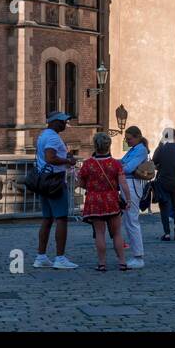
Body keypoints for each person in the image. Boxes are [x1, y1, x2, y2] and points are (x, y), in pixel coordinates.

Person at [78, 131, 130, 272]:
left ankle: (102, 264)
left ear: (95, 145)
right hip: (112, 200)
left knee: (100, 233)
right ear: (109, 145)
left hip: (94, 201)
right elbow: (123, 183)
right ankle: (122, 262)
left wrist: (93, 186)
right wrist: (128, 199)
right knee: (117, 233)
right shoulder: (115, 164)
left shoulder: (88, 164)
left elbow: (80, 183)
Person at [32, 112, 79, 269]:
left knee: (47, 219)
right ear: (55, 122)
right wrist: (68, 160)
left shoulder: (43, 135)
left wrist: (65, 155)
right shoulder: (52, 137)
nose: (65, 125)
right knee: (61, 218)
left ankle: (41, 256)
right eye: (63, 122)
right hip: (55, 181)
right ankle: (60, 257)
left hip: (44, 180)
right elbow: (50, 157)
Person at [119, 127, 150, 267]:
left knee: (132, 220)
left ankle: (138, 257)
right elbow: (122, 162)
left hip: (132, 185)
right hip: (128, 184)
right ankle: (136, 254)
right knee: (128, 220)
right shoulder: (134, 149)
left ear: (137, 137)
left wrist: (119, 165)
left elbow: (128, 168)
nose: (127, 141)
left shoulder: (140, 150)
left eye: (129, 138)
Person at [152, 128, 175, 242]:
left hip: (163, 182)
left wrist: (161, 168)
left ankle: (167, 234)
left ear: (164, 136)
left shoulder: (160, 149)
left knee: (164, 208)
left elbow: (153, 164)